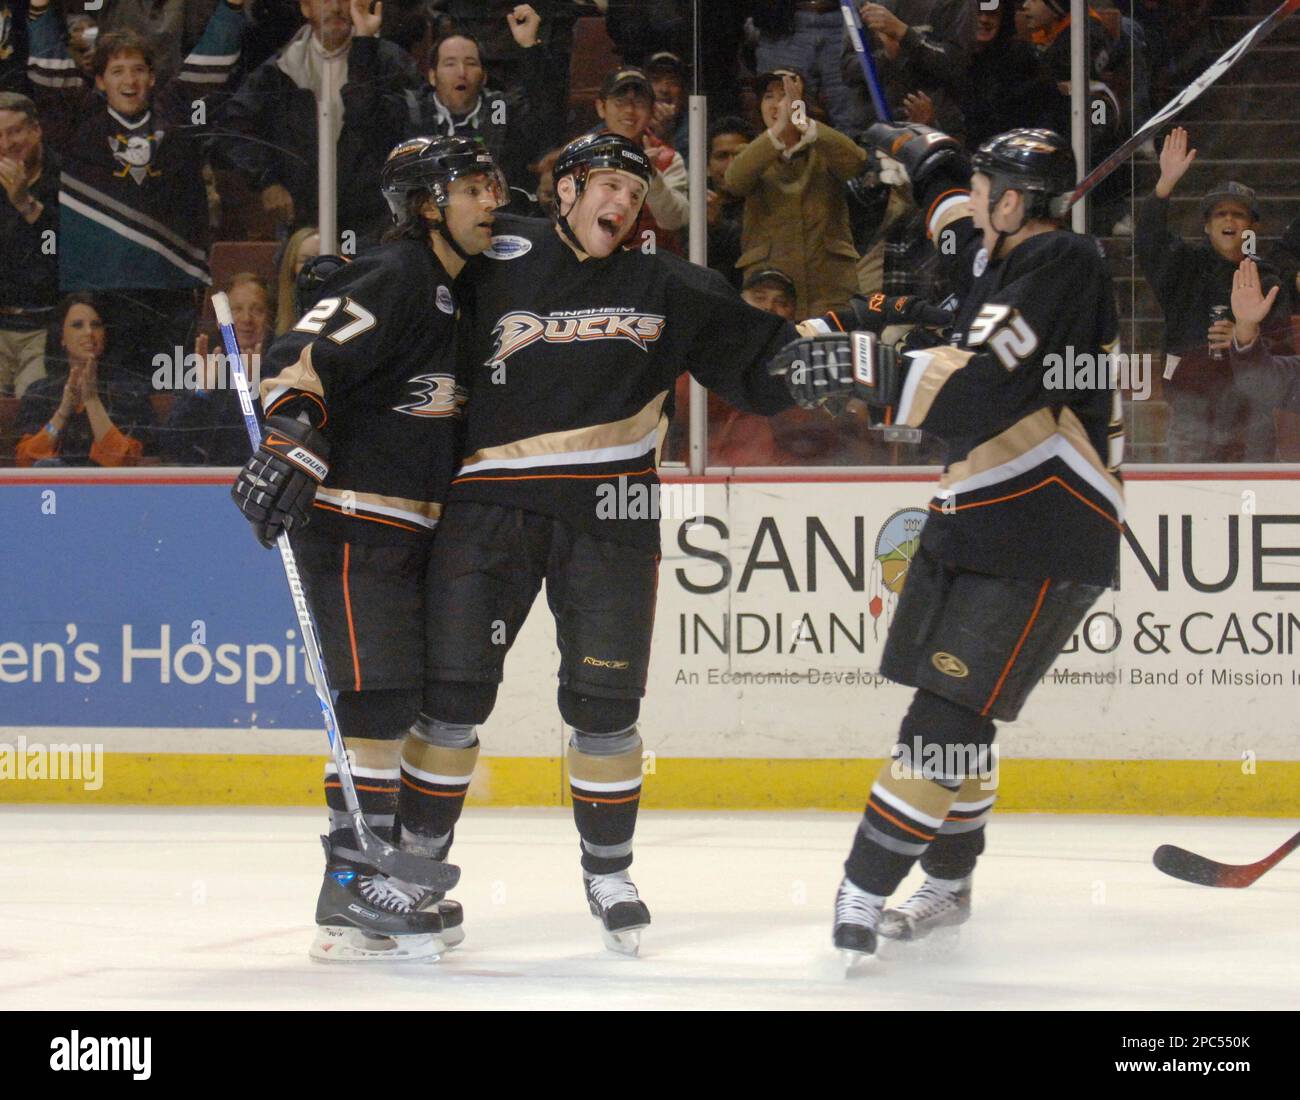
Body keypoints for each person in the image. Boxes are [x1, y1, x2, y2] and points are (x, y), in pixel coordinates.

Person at [411, 131, 807, 955]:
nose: (623, 203)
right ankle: (414, 869)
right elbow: (409, 284)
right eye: (607, 186)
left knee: (605, 705)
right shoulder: (495, 254)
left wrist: (848, 349)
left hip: (613, 514)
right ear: (564, 191)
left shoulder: (668, 285)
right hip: (487, 510)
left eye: (636, 192)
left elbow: (762, 361)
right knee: (450, 697)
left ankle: (609, 869)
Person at [770, 124, 1123, 960]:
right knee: (957, 719)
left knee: (943, 721)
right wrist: (911, 146)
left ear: (1013, 200)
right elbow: (947, 215)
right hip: (972, 513)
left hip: (1041, 524)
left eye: (984, 184)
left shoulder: (1062, 264)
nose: (971, 197)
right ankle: (952, 883)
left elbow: (977, 391)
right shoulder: (998, 261)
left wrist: (871, 364)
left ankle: (864, 887)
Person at [230, 135, 508, 963]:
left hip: (415, 525)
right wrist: (293, 432)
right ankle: (351, 884)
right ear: (427, 204)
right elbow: (298, 356)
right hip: (356, 520)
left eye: (493, 185)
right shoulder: (397, 275)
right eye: (473, 187)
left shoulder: (457, 290)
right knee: (376, 703)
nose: (490, 200)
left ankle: (369, 876)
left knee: (401, 700)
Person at [26, 0, 245, 369]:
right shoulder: (80, 121)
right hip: (98, 290)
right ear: (99, 80)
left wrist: (232, 9)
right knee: (111, 400)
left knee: (169, 399)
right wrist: (38, 12)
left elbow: (213, 60)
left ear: (153, 76)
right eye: (117, 71)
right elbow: (50, 74)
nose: (129, 81)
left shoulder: (176, 112)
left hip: (170, 289)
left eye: (139, 70)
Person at [1136, 127, 1292, 462]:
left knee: (1259, 505)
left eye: (1239, 214)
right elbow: (1149, 242)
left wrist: (1246, 339)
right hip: (1192, 416)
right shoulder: (1182, 267)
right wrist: (1164, 186)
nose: (1229, 219)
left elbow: (1284, 357)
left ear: (1253, 227)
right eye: (1220, 213)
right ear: (1206, 226)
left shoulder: (1270, 280)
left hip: (1253, 421)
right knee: (1189, 503)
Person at [217, 0, 414, 248]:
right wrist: (267, 181)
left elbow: (379, 121)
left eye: (344, 0)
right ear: (305, 8)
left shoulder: (389, 60)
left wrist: (364, 47)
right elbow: (234, 126)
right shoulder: (281, 68)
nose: (336, 8)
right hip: (303, 220)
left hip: (374, 220)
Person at [724, 69, 866, 317]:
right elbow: (734, 181)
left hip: (829, 290)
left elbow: (855, 163)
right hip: (769, 294)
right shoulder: (751, 153)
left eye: (787, 96)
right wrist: (779, 129)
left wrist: (805, 124)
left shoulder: (826, 149)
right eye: (769, 96)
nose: (778, 104)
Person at [396, 13, 564, 207]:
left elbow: (545, 113)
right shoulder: (412, 110)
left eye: (471, 63)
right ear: (432, 76)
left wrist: (529, 46)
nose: (461, 72)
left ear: (483, 77)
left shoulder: (499, 109)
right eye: (450, 64)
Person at [16, 293, 155, 466]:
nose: (89, 332)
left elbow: (123, 461)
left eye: (96, 325)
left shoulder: (129, 391)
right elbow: (27, 461)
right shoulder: (40, 392)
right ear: (61, 337)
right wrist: (63, 411)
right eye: (77, 325)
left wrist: (92, 400)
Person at [161, 273, 272, 466]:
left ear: (269, 319)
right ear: (221, 320)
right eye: (236, 310)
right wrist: (201, 393)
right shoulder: (204, 363)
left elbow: (269, 448)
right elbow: (172, 445)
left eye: (257, 310)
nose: (246, 319)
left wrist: (253, 392)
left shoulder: (284, 367)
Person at [843, 0, 975, 139]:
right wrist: (886, 56)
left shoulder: (956, 4)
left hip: (933, 126)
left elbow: (957, 65)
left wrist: (905, 34)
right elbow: (847, 71)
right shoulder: (861, 3)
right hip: (873, 127)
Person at [592, 66, 688, 255]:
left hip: (655, 267)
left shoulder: (668, 159)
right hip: (598, 267)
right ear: (601, 108)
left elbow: (675, 220)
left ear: (652, 110)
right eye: (620, 102)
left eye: (639, 103)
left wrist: (650, 174)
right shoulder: (582, 156)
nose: (629, 110)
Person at [0, 91, 58, 397]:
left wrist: (25, 204)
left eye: (15, 131)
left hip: (45, 327)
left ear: (36, 130)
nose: (7, 143)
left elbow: (58, 252)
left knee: (34, 400)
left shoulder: (64, 178)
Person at [705, 115, 752, 290]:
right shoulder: (694, 205)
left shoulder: (769, 202)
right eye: (722, 156)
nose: (732, 164)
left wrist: (720, 227)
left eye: (739, 155)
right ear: (707, 166)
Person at [274, 226, 322, 335]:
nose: (313, 267)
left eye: (320, 259)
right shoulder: (274, 328)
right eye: (306, 260)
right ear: (292, 268)